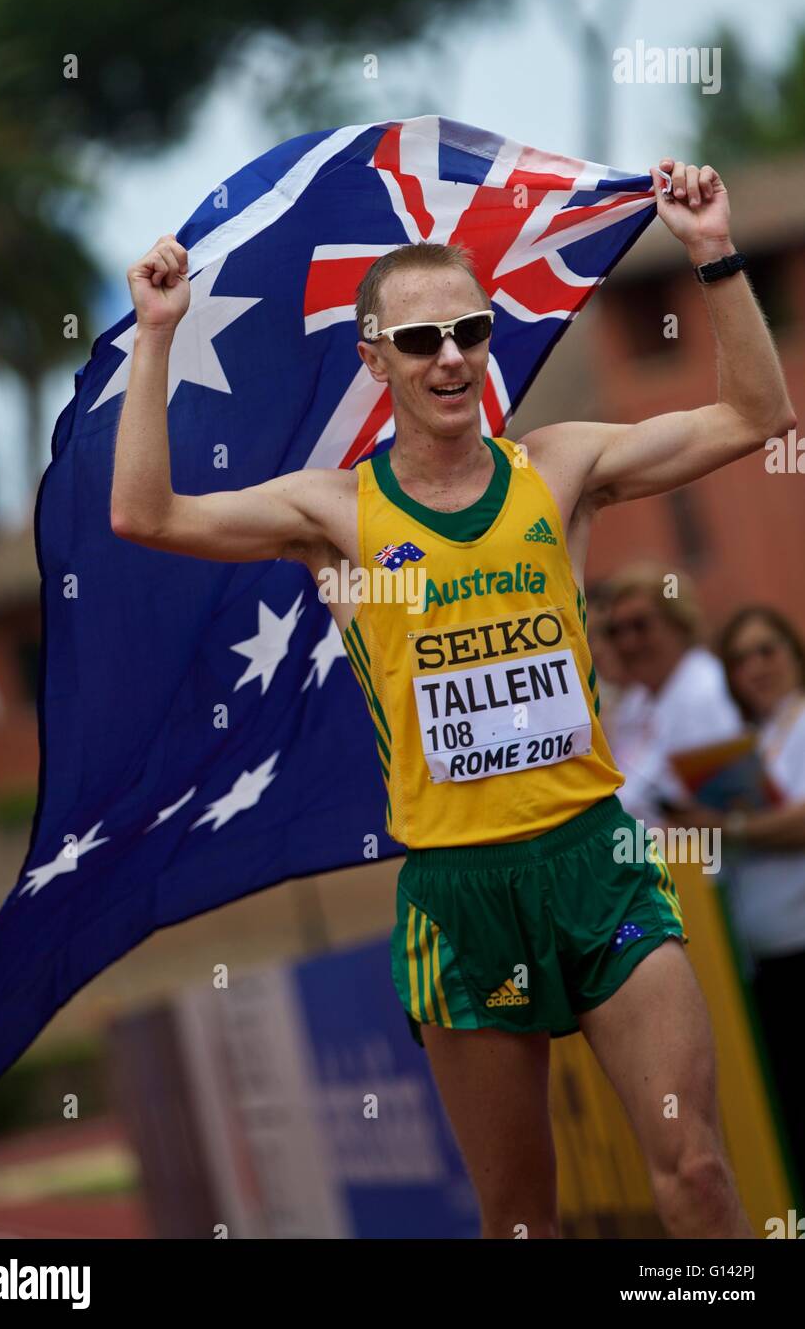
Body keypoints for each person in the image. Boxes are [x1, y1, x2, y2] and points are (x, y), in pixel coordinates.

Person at [110, 158, 794, 1238]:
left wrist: (710, 251)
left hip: (597, 863)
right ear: (373, 356)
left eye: (467, 331)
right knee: (521, 1218)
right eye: (420, 339)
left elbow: (756, 415)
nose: (449, 358)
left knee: (697, 1173)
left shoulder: (556, 469)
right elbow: (146, 514)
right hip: (460, 897)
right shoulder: (332, 515)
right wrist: (154, 334)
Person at [676, 607, 805, 1193]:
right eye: (741, 658)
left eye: (767, 650)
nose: (755, 667)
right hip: (766, 960)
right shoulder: (747, 742)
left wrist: (730, 827)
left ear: (793, 652)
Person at [604, 564, 743, 826]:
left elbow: (720, 809)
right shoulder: (637, 702)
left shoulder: (705, 691)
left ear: (679, 623)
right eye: (615, 631)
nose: (627, 642)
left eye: (640, 626)